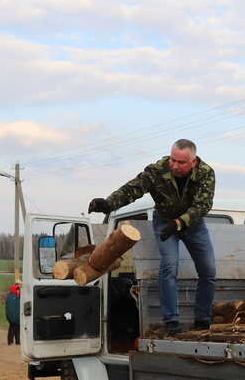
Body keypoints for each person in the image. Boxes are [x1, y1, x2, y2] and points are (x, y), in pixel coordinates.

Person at [88, 140, 216, 335]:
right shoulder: (157, 170)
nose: (175, 165)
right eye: (173, 160)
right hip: (164, 221)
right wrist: (108, 203)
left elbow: (203, 205)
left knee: (209, 270)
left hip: (193, 224)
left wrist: (180, 223)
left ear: (193, 162)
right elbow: (133, 188)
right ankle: (171, 321)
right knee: (169, 266)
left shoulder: (206, 173)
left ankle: (202, 319)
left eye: (181, 162)